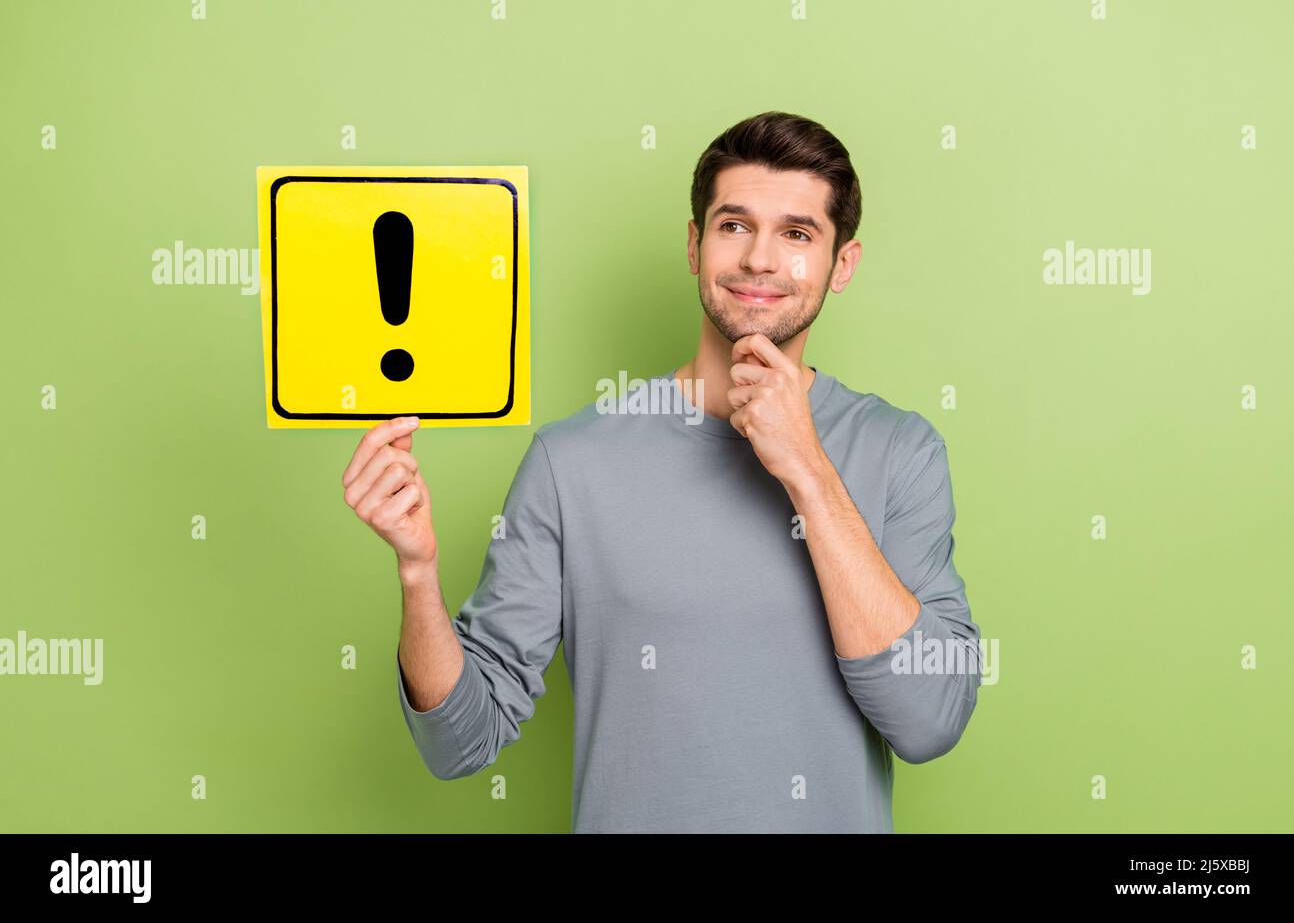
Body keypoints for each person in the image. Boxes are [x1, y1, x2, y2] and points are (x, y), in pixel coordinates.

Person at [341, 111, 981, 833]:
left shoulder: (901, 451)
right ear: (694, 244)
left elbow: (930, 720)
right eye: (734, 226)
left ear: (844, 264)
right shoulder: (571, 461)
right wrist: (419, 573)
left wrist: (806, 467)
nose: (761, 260)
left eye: (797, 234)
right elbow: (460, 742)